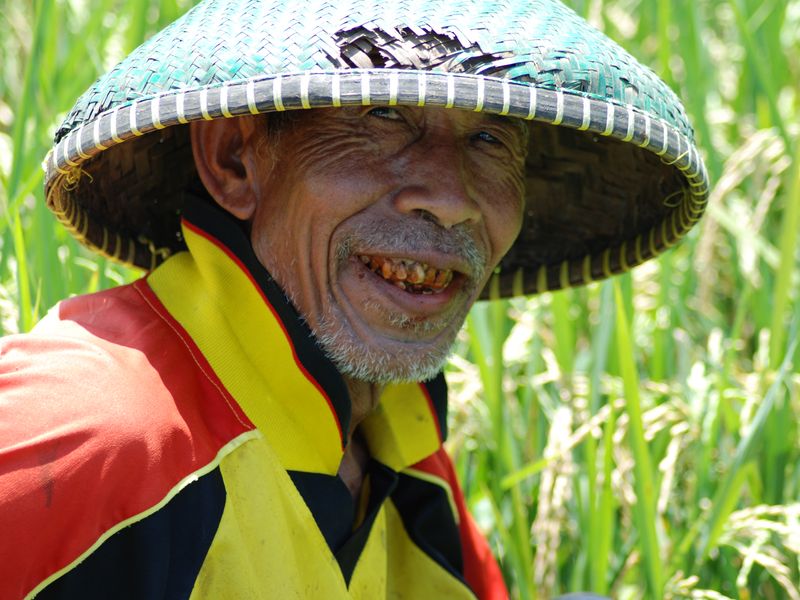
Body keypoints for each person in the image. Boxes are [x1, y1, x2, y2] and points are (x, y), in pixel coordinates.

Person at [0, 0, 709, 598]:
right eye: (381, 115)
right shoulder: (87, 439)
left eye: (490, 137)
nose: (450, 199)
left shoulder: (403, 455)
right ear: (234, 159)